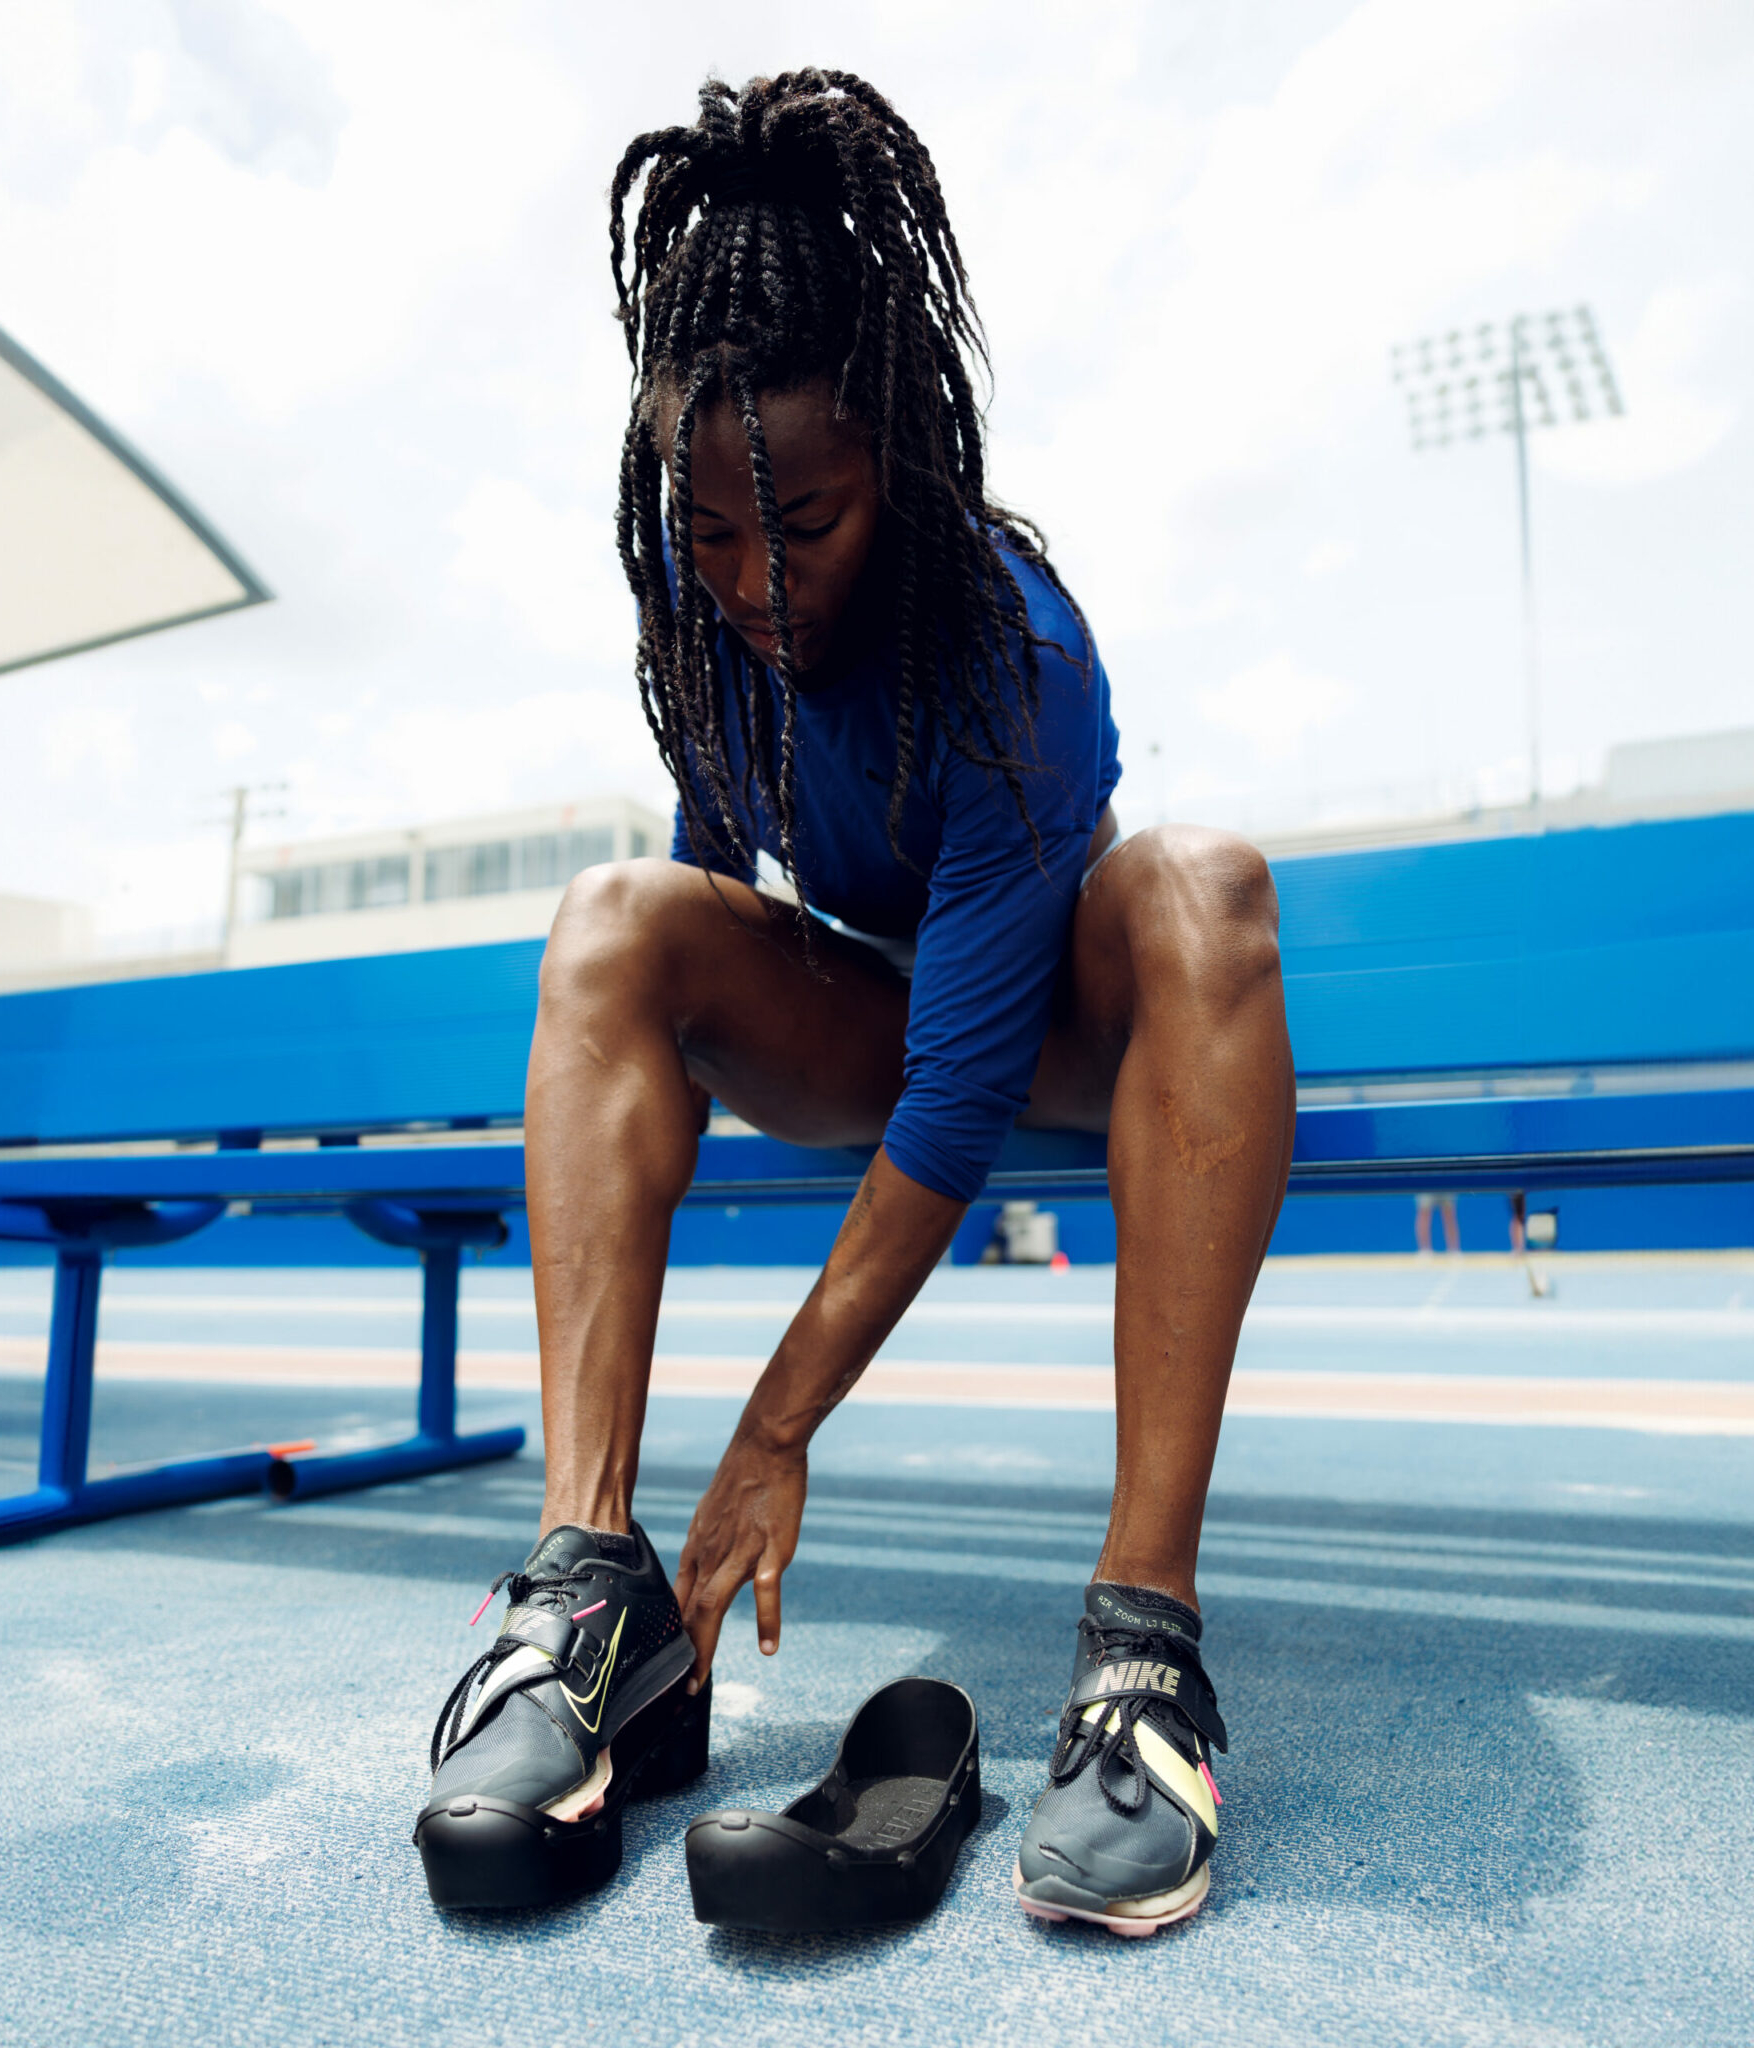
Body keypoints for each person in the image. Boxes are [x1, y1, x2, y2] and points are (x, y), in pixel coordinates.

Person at [418, 71, 1294, 1936]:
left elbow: (961, 1097)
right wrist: (691, 985)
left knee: (1202, 886)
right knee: (610, 921)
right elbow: (715, 897)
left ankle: (1148, 1647)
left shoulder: (1013, 658)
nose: (752, 591)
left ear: (896, 454)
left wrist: (775, 1423)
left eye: (795, 529)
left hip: (1070, 1036)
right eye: (709, 534)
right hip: (883, 1022)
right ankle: (591, 1602)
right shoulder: (700, 580)